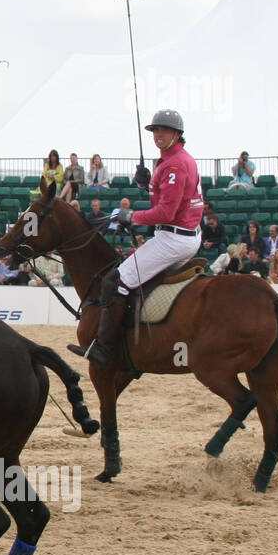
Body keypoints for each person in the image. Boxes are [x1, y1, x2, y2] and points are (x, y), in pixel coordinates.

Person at [69, 110, 201, 368]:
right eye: (155, 131)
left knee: (117, 279)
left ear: (177, 134)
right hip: (183, 234)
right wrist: (147, 184)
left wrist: (131, 217)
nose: (158, 135)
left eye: (164, 130)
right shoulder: (172, 160)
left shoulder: (174, 164)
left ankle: (104, 350)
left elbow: (166, 212)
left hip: (174, 238)